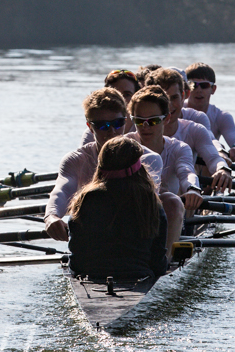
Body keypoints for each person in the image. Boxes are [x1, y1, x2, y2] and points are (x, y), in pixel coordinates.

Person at [45, 88, 163, 244]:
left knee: (170, 201)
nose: (112, 131)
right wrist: (51, 216)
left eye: (117, 123)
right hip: (94, 236)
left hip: (134, 236)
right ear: (89, 126)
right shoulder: (75, 160)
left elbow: (142, 208)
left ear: (126, 121)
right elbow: (61, 190)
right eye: (102, 125)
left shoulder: (148, 158)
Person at [66, 136, 169, 280]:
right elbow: (158, 265)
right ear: (139, 167)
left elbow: (77, 262)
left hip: (93, 276)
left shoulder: (85, 200)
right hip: (140, 276)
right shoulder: (150, 202)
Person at [126, 86, 201, 257]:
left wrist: (193, 189)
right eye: (139, 121)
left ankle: (164, 262)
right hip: (131, 215)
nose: (145, 127)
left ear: (166, 119)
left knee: (171, 201)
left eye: (152, 121)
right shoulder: (124, 145)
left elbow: (186, 171)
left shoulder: (179, 148)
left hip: (166, 217)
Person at [143, 68, 233, 192]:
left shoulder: (195, 129)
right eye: (164, 99)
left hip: (185, 200)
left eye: (174, 98)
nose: (169, 105)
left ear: (184, 96)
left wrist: (222, 169)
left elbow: (213, 158)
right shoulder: (136, 130)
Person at [184, 62, 235, 162]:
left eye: (204, 85)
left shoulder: (222, 117)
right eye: (193, 85)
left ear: (213, 89)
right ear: (186, 89)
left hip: (206, 164)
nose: (199, 90)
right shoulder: (176, 111)